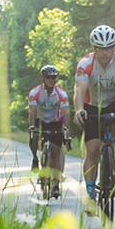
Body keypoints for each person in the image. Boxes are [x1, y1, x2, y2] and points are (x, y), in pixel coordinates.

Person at [70, 25, 115, 202]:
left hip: (114, 103)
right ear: (94, 48)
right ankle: (91, 195)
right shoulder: (85, 64)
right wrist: (79, 110)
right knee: (92, 150)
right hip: (92, 105)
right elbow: (79, 89)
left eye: (109, 47)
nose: (105, 52)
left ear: (114, 47)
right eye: (101, 48)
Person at [25, 66, 68, 198]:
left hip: (54, 122)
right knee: (34, 135)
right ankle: (35, 158)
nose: (51, 80)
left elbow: (66, 113)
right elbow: (32, 111)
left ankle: (55, 184)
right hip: (40, 120)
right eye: (48, 77)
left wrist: (66, 129)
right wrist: (32, 126)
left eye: (53, 78)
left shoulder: (61, 94)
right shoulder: (35, 92)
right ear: (43, 78)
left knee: (55, 150)